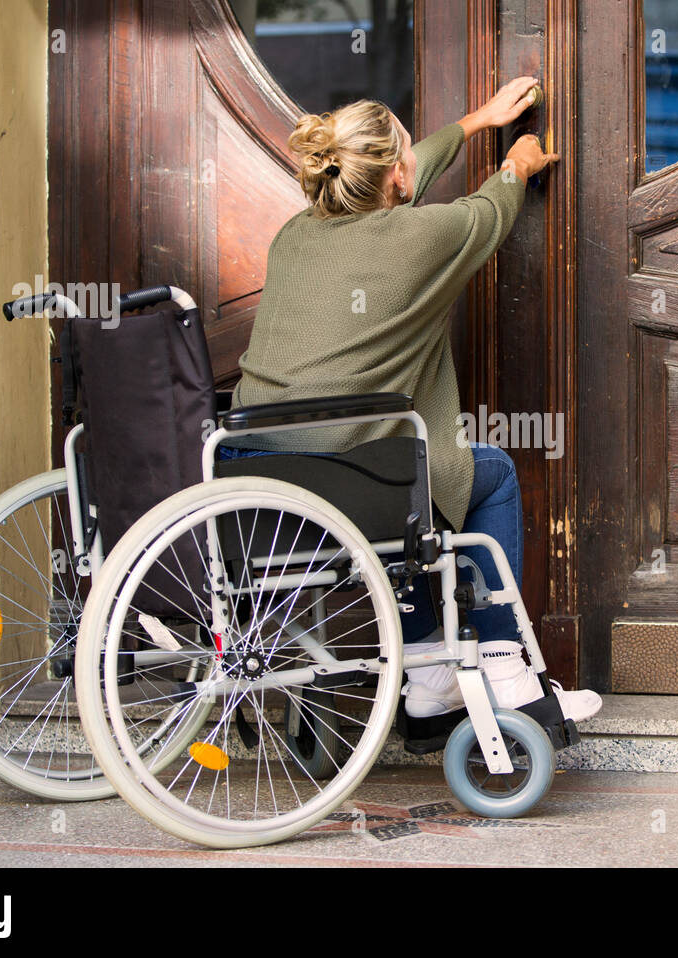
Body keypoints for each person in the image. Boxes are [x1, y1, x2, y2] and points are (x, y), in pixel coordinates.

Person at [225, 78, 601, 724]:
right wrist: (518, 161)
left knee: (404, 493)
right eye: (404, 159)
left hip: (258, 473)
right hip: (349, 480)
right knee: (484, 478)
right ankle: (506, 665)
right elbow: (494, 207)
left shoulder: (295, 235)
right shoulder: (427, 236)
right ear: (395, 177)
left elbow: (403, 175)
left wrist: (475, 120)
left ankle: (430, 677)